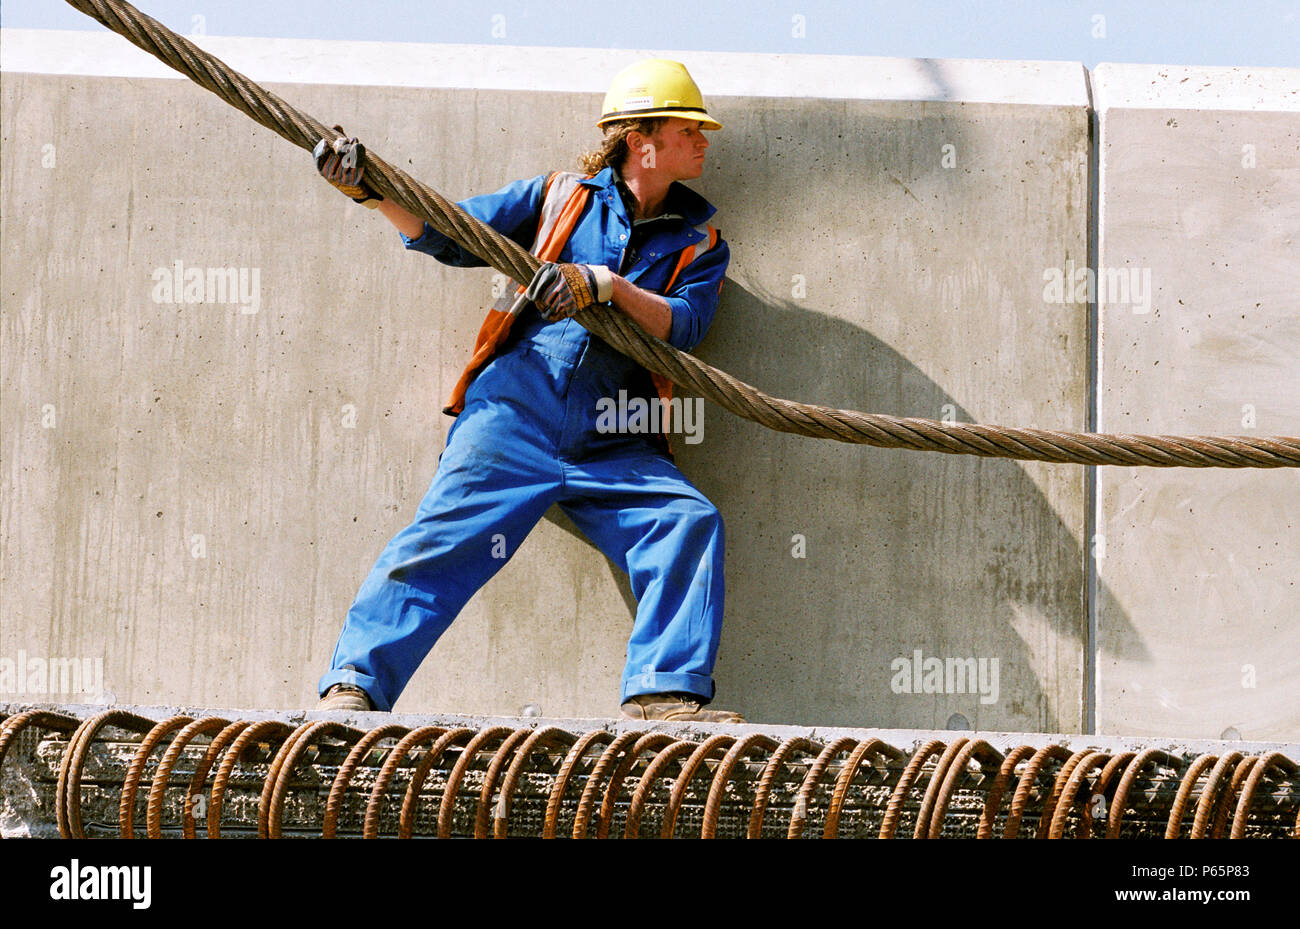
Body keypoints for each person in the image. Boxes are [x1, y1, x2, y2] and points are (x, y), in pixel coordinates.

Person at [313, 59, 742, 723]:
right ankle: (354, 686)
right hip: (515, 410)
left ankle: (661, 692)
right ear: (640, 138)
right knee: (442, 537)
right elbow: (453, 231)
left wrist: (605, 286)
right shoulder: (560, 198)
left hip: (614, 430)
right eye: (690, 128)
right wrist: (370, 191)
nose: (704, 140)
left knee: (684, 519)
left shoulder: (701, 242)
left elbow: (683, 327)